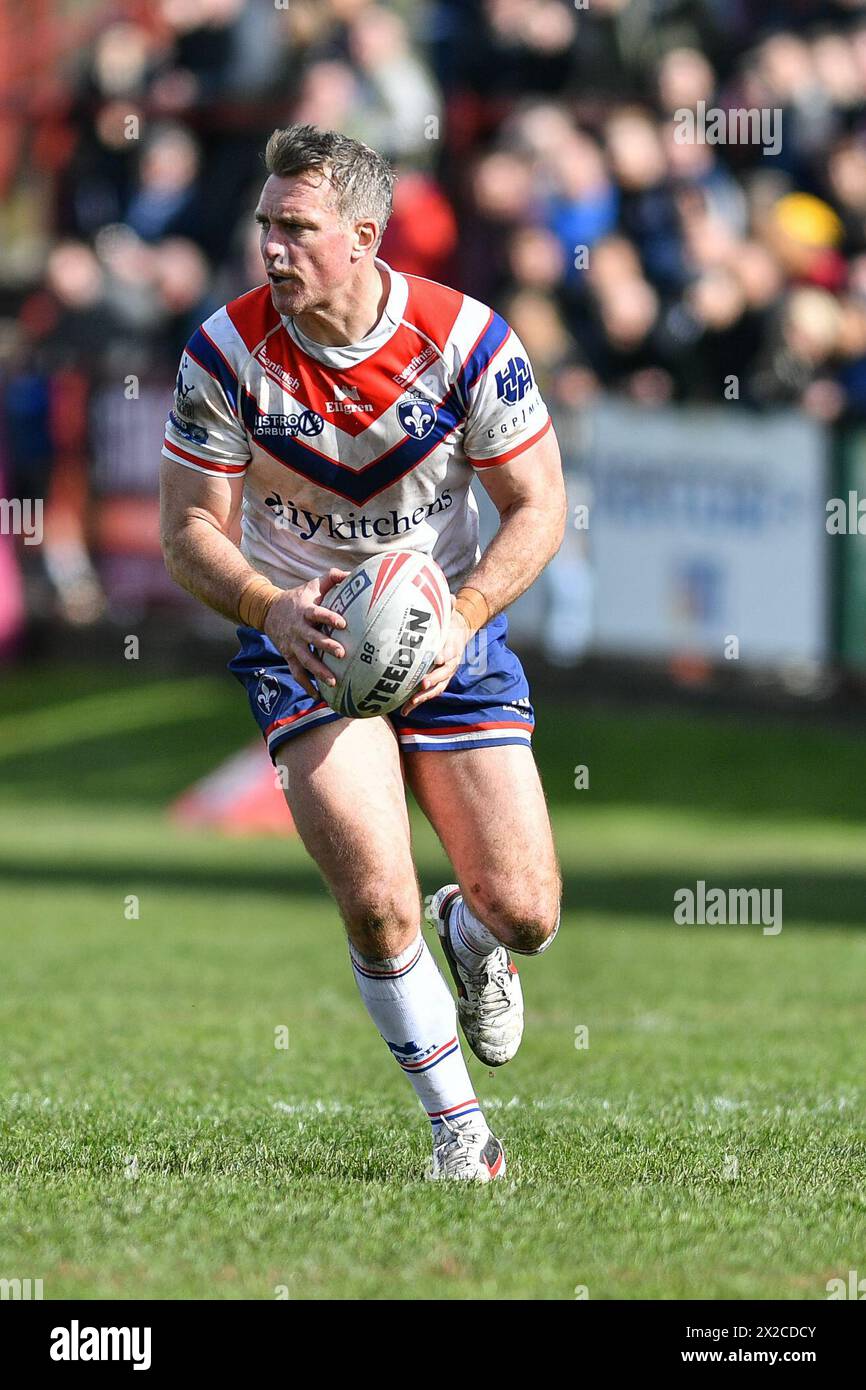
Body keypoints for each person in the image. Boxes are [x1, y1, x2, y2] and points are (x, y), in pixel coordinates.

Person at [159, 124, 564, 1181]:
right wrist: (266, 606)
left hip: (449, 628)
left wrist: (465, 615)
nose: (273, 249)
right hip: (300, 640)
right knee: (374, 895)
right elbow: (187, 531)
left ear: (365, 237)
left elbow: (538, 508)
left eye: (296, 229)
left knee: (525, 911)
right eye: (265, 228)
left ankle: (469, 938)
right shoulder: (225, 351)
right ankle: (460, 1135)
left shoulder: (465, 339)